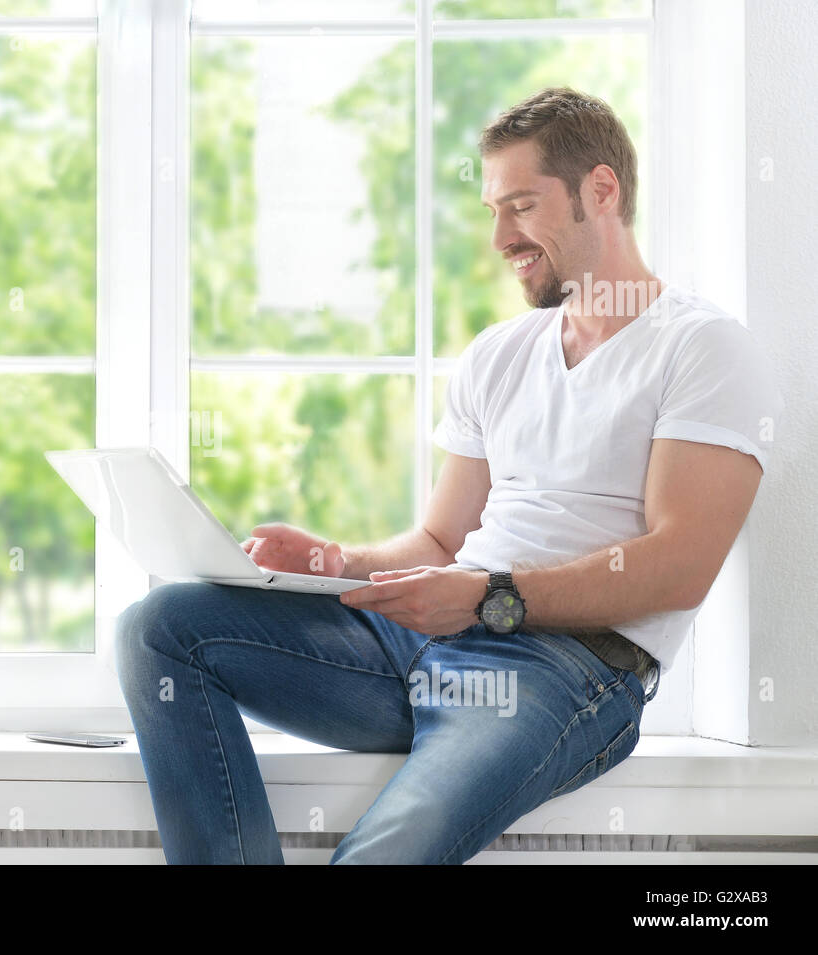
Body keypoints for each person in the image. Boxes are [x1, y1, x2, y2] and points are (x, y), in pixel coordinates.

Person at [114, 87, 785, 864]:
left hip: (567, 669)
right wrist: (333, 560)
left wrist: (491, 597)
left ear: (601, 191)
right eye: (494, 209)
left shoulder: (701, 348)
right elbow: (441, 536)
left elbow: (678, 567)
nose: (501, 237)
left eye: (523, 206)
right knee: (158, 627)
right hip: (425, 639)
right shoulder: (501, 353)